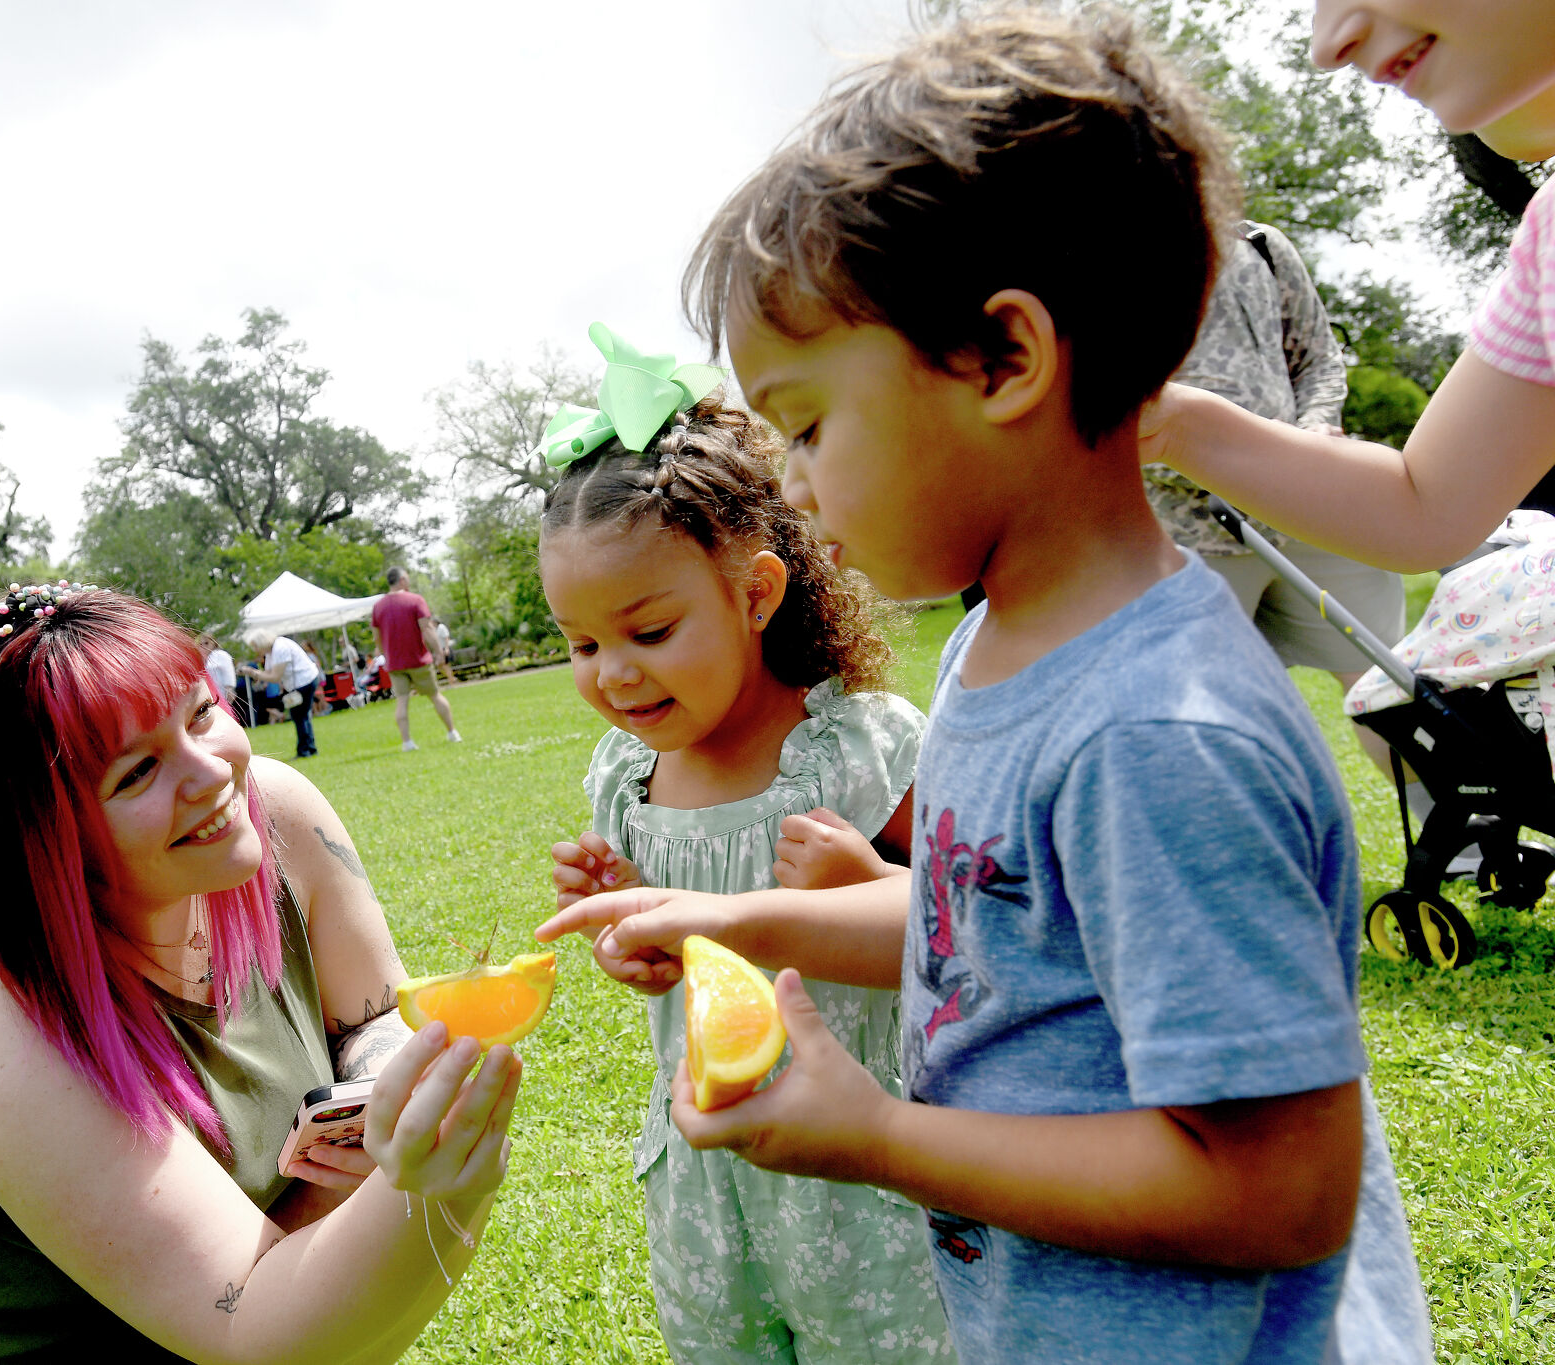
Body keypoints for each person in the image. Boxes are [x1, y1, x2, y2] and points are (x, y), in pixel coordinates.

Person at [542, 11, 1430, 1363]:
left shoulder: (1154, 737)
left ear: (1003, 360)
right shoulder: (996, 650)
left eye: (810, 426)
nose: (793, 485)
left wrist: (885, 1136)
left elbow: (1285, 1189)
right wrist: (739, 914)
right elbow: (989, 934)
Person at [0, 583, 521, 1364]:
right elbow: (255, 1332)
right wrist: (431, 1180)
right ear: (43, 839)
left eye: (199, 712)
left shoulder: (276, 815)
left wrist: (368, 1101)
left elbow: (370, 1012)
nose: (212, 774)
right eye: (136, 773)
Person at [538, 324, 947, 1363]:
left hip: (861, 1165)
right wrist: (630, 926)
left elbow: (961, 927)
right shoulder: (622, 776)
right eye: (583, 645)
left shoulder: (856, 750)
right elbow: (680, 970)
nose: (614, 675)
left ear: (755, 594)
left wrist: (863, 882)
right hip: (704, 1166)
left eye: (648, 631)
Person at [1139, 1, 1555, 571]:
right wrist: (1171, 423)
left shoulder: (1262, 247)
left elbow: (1317, 357)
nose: (1326, 46)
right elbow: (1425, 507)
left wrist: (1315, 419)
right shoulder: (1547, 236)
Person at [1150, 218, 1405, 782]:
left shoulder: (1257, 245)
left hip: (1309, 513)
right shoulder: (1071, 257)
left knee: (1395, 684)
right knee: (1192, 722)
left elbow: (1318, 359)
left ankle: (1462, 839)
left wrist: (1309, 440)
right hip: (1178, 536)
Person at [370, 567, 461, 752]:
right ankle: (452, 732)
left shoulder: (378, 606)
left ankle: (407, 743)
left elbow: (376, 637)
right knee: (435, 695)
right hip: (419, 660)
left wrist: (386, 655)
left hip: (395, 663)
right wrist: (437, 651)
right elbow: (427, 629)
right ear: (402, 580)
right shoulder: (415, 600)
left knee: (402, 700)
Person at [241, 629, 322, 759]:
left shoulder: (280, 648)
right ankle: (309, 748)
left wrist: (252, 672)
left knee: (299, 716)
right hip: (299, 683)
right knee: (302, 716)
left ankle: (305, 750)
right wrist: (255, 673)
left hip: (305, 681)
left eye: (255, 646)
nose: (255, 650)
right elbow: (269, 673)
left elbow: (274, 677)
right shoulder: (270, 652)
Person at [205, 640, 241, 722]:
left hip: (223, 690)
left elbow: (228, 671)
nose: (204, 646)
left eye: (206, 643)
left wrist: (230, 687)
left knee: (226, 713)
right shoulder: (205, 658)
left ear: (213, 643)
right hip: (212, 692)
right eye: (201, 644)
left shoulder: (221, 655)